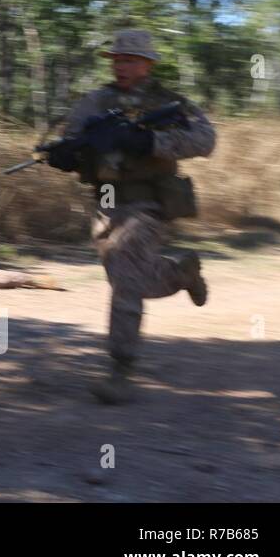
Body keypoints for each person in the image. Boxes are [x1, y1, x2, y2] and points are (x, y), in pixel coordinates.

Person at [46, 30, 216, 404]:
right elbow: (71, 139)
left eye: (130, 59)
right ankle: (180, 273)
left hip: (150, 202)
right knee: (127, 276)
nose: (122, 65)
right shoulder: (96, 102)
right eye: (117, 59)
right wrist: (62, 155)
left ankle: (120, 370)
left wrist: (152, 142)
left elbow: (205, 140)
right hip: (107, 203)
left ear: (147, 64)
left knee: (125, 276)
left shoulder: (169, 102)